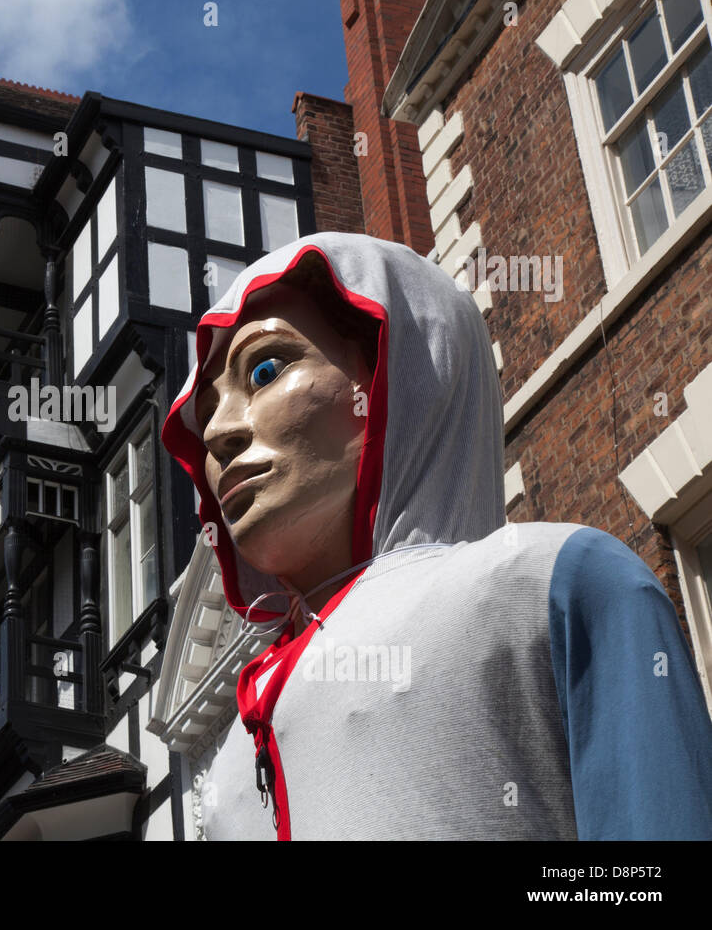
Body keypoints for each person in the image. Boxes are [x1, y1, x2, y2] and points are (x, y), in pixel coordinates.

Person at [159, 232, 712, 840]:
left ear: (401, 373)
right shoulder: (233, 765)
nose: (219, 434)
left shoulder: (546, 586)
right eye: (207, 410)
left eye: (266, 369)